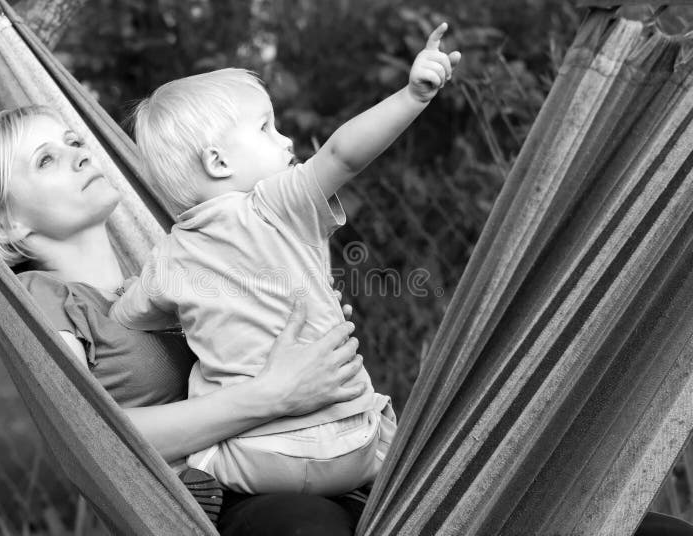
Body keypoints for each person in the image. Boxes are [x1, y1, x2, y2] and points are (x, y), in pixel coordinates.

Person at [0, 104, 368, 535]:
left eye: (74, 141)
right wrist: (272, 394)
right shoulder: (43, 298)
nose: (80, 154)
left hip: (300, 456)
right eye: (46, 159)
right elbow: (87, 428)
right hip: (209, 502)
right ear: (6, 224)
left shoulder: (160, 277)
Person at [108, 22, 460, 495]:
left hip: (253, 458)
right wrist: (412, 97)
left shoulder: (166, 258)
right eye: (266, 128)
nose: (287, 140)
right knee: (378, 425)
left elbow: (125, 318)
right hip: (351, 441)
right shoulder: (276, 204)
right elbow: (342, 154)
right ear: (218, 163)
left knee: (189, 456)